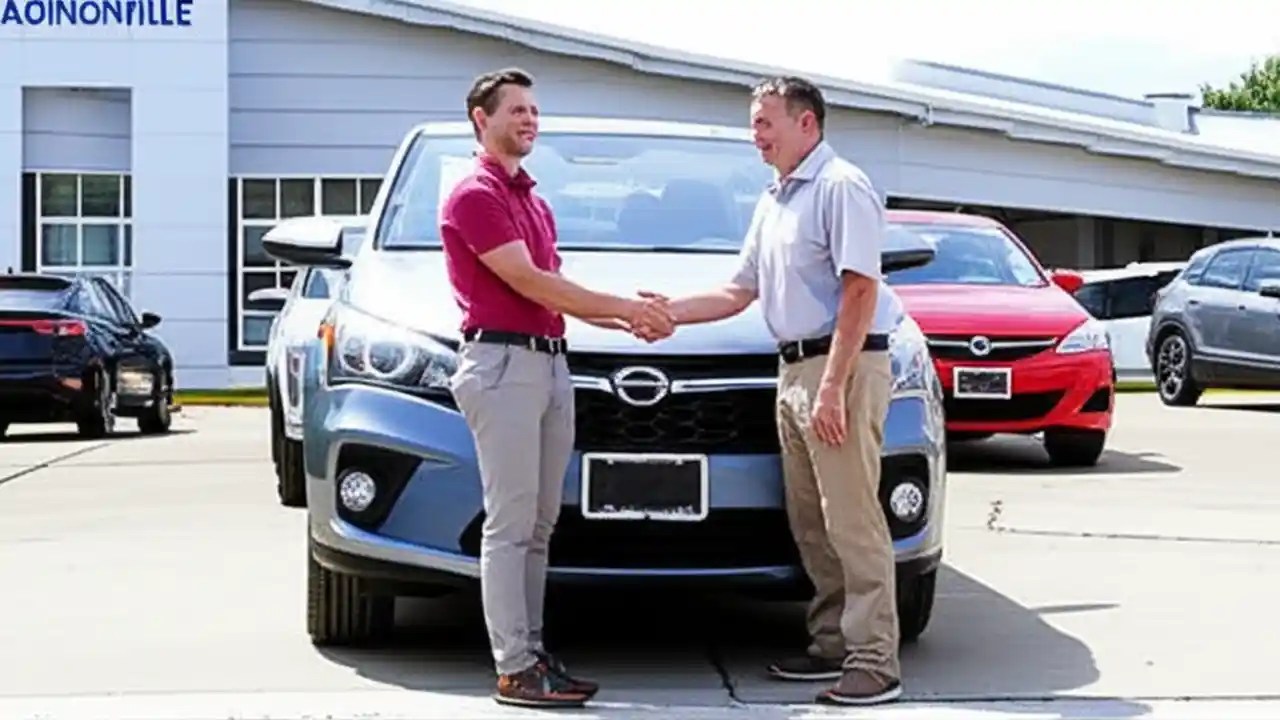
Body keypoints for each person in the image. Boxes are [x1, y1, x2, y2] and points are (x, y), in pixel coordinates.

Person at [636, 75, 904, 706]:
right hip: (793, 370)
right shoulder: (776, 199)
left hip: (841, 368)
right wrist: (665, 310)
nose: (754, 135)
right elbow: (738, 292)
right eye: (753, 122)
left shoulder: (841, 188)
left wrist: (833, 387)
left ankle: (875, 660)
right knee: (813, 521)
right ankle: (834, 645)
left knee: (852, 517)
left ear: (806, 124)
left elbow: (860, 289)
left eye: (765, 122)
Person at [439, 67, 674, 709]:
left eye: (534, 110)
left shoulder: (533, 201)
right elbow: (531, 284)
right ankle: (513, 666)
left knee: (541, 522)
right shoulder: (473, 194)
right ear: (481, 121)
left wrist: (641, 319)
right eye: (516, 110)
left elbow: (559, 299)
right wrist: (626, 307)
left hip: (547, 362)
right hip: (502, 365)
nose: (529, 120)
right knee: (510, 521)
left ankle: (533, 653)